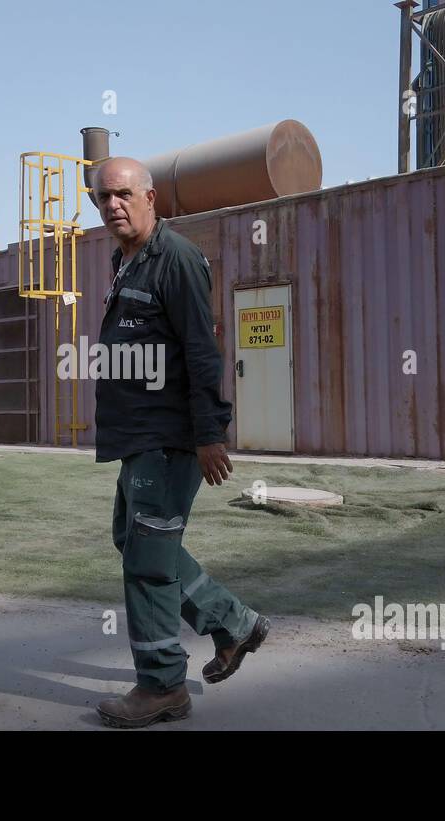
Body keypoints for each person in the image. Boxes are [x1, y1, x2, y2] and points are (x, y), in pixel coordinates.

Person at [91, 157, 271, 729]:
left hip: (169, 437)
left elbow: (200, 349)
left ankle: (162, 685)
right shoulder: (125, 261)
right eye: (102, 197)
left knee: (148, 561)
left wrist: (209, 433)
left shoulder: (177, 259)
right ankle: (233, 623)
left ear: (150, 198)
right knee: (134, 540)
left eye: (123, 194)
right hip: (140, 436)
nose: (112, 205)